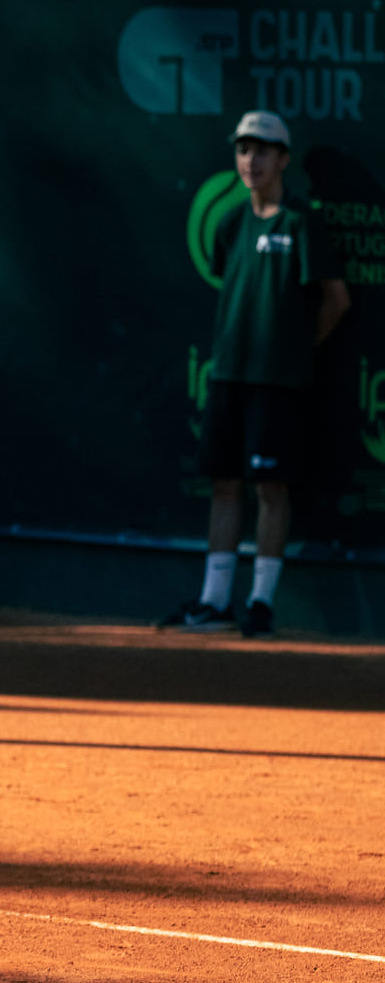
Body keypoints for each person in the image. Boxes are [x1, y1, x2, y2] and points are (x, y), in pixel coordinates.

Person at [160, 110, 348, 638]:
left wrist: (296, 348)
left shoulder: (301, 221)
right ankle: (214, 601)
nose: (252, 160)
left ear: (283, 159)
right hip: (228, 378)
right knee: (224, 486)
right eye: (244, 150)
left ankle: (261, 602)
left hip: (279, 382)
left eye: (263, 150)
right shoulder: (230, 223)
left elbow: (336, 299)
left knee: (270, 489)